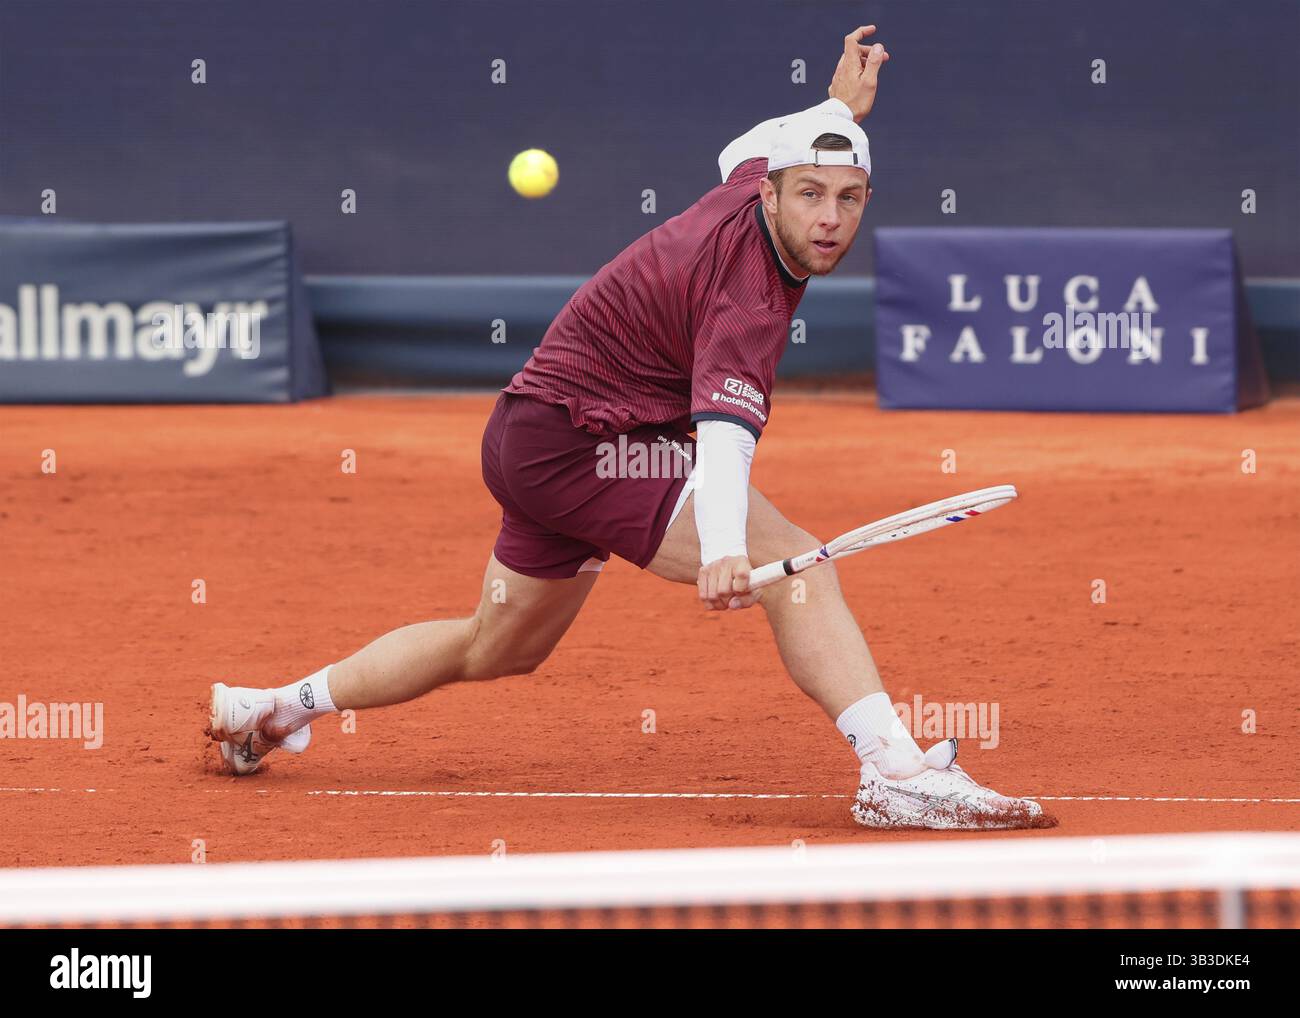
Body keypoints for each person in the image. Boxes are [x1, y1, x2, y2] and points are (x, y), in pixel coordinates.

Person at [208, 27, 1049, 830]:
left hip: (530, 435)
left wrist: (836, 117)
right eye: (810, 194)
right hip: (584, 442)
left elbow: (743, 145)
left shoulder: (749, 178)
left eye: (848, 198)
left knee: (495, 646)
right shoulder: (746, 300)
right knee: (796, 568)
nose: (829, 218)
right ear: (772, 194)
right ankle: (895, 772)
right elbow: (724, 437)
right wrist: (725, 551)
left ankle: (279, 707)